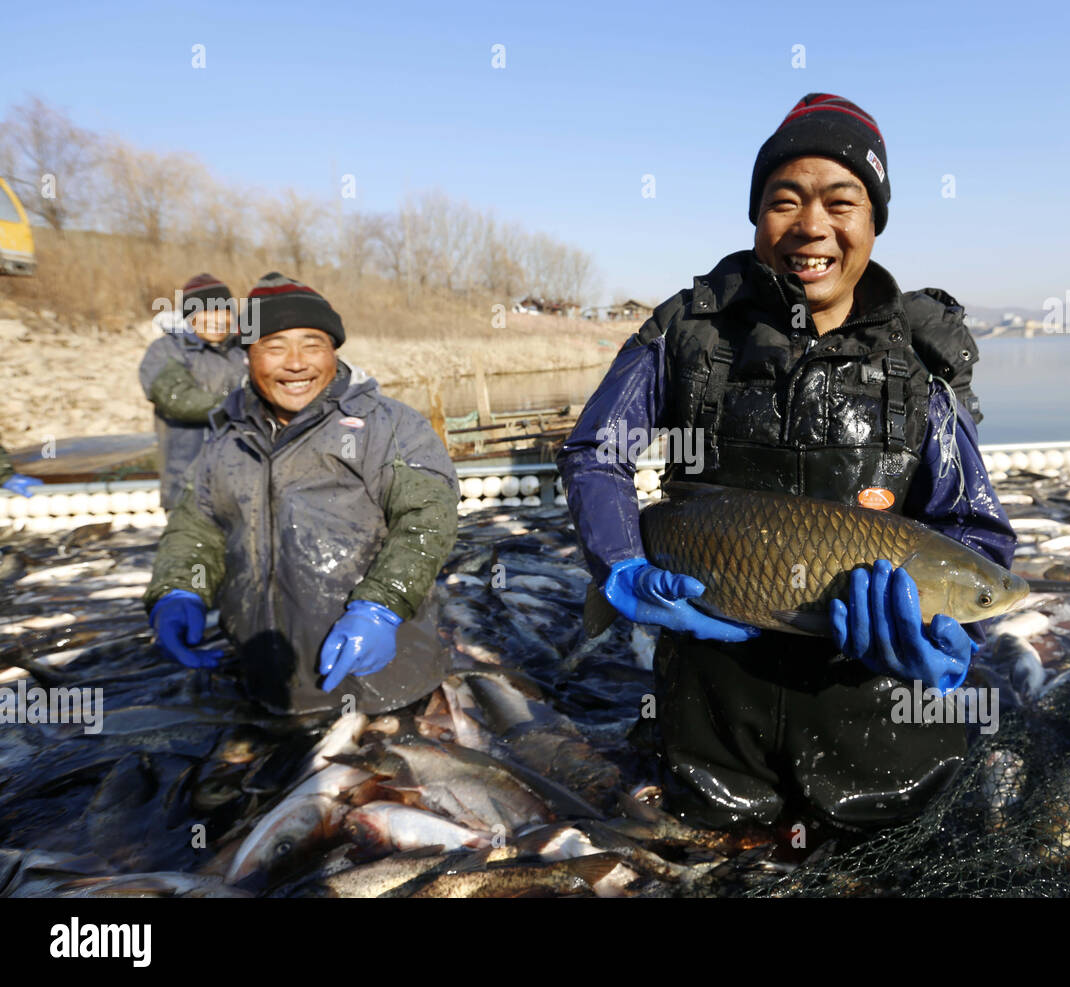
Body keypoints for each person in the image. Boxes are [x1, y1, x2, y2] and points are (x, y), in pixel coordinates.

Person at [557, 94, 1017, 833]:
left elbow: (972, 530)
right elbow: (596, 453)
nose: (812, 227)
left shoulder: (923, 364)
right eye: (784, 201)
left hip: (881, 732)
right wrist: (620, 562)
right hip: (711, 726)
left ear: (872, 223)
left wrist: (952, 643)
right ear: (756, 216)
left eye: (842, 202)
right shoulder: (687, 332)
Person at [142, 272, 460, 715]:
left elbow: (427, 516)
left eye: (312, 344)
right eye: (273, 347)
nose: (296, 363)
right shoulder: (226, 438)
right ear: (247, 355)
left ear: (333, 350)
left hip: (384, 687)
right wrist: (178, 589)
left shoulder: (386, 425)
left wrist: (382, 607)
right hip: (265, 682)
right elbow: (198, 526)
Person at [138, 273, 249, 510]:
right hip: (187, 482)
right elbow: (175, 397)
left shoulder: (244, 352)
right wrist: (241, 405)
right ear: (190, 317)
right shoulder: (166, 350)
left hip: (243, 483)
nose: (218, 319)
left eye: (225, 311)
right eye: (208, 311)